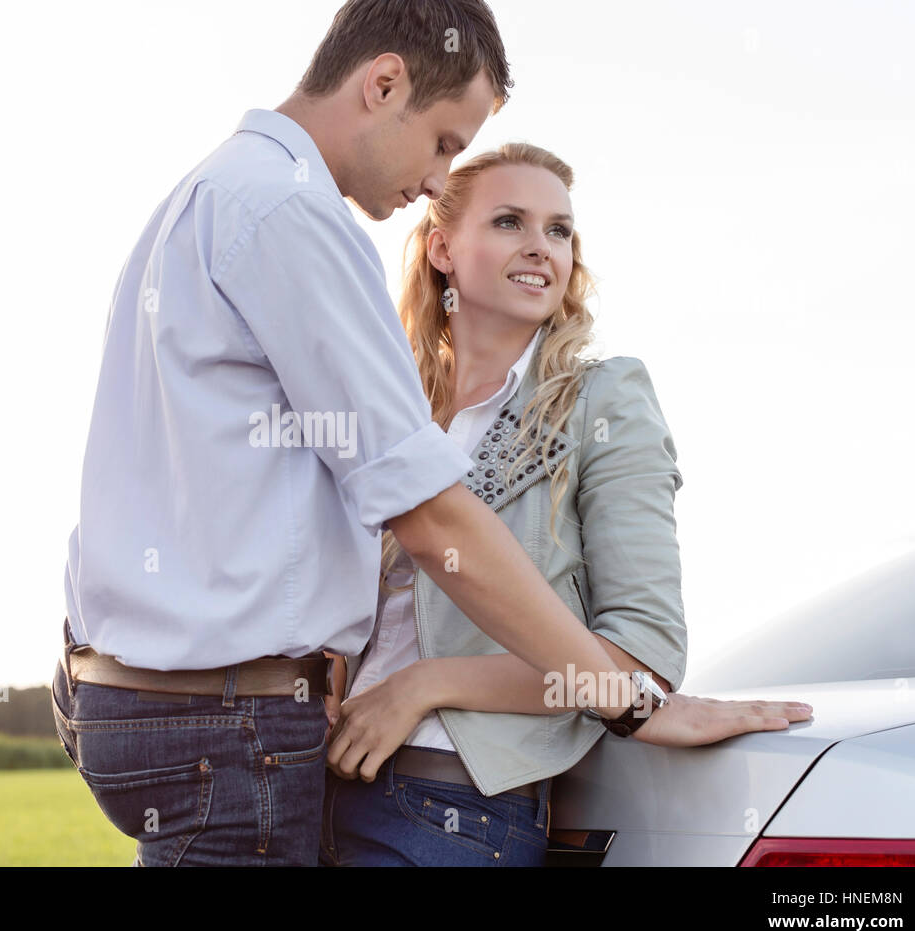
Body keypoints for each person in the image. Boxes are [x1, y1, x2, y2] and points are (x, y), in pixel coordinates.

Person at [51, 0, 808, 867]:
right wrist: (634, 706)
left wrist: (454, 685)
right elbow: (434, 519)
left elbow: (637, 637)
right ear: (383, 84)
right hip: (239, 731)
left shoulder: (208, 197)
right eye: (445, 143)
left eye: (561, 228)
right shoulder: (290, 215)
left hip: (245, 736)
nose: (431, 177)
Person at [319, 143, 813, 866]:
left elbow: (637, 655)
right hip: (315, 792)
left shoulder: (601, 401)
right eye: (511, 222)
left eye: (559, 231)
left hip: (452, 811)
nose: (541, 249)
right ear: (442, 249)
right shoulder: (392, 410)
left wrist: (424, 685)